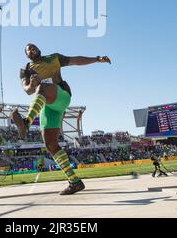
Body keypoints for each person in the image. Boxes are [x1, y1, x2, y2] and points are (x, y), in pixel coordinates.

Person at [11, 43, 111, 195]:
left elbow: (76, 60)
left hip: (61, 95)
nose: (31, 49)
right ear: (26, 55)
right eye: (28, 49)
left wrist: (97, 59)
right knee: (50, 144)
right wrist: (31, 84)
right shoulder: (25, 70)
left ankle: (26, 123)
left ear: (38, 49)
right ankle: (74, 182)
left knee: (43, 87)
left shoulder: (54, 58)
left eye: (33, 47)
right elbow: (27, 90)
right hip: (47, 107)